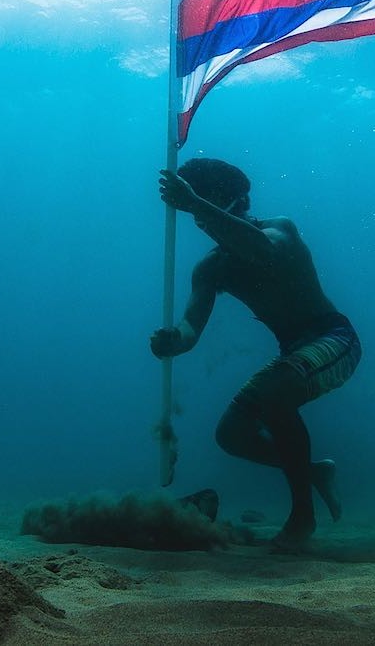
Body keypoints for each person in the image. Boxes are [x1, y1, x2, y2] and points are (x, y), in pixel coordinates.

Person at [150, 158, 361, 551]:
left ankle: (302, 517)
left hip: (335, 339)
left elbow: (262, 251)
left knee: (276, 393)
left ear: (233, 202)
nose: (201, 222)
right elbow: (191, 328)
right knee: (231, 435)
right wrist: (171, 341)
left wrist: (196, 204)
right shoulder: (212, 269)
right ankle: (314, 472)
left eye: (206, 205)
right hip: (292, 356)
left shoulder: (279, 229)